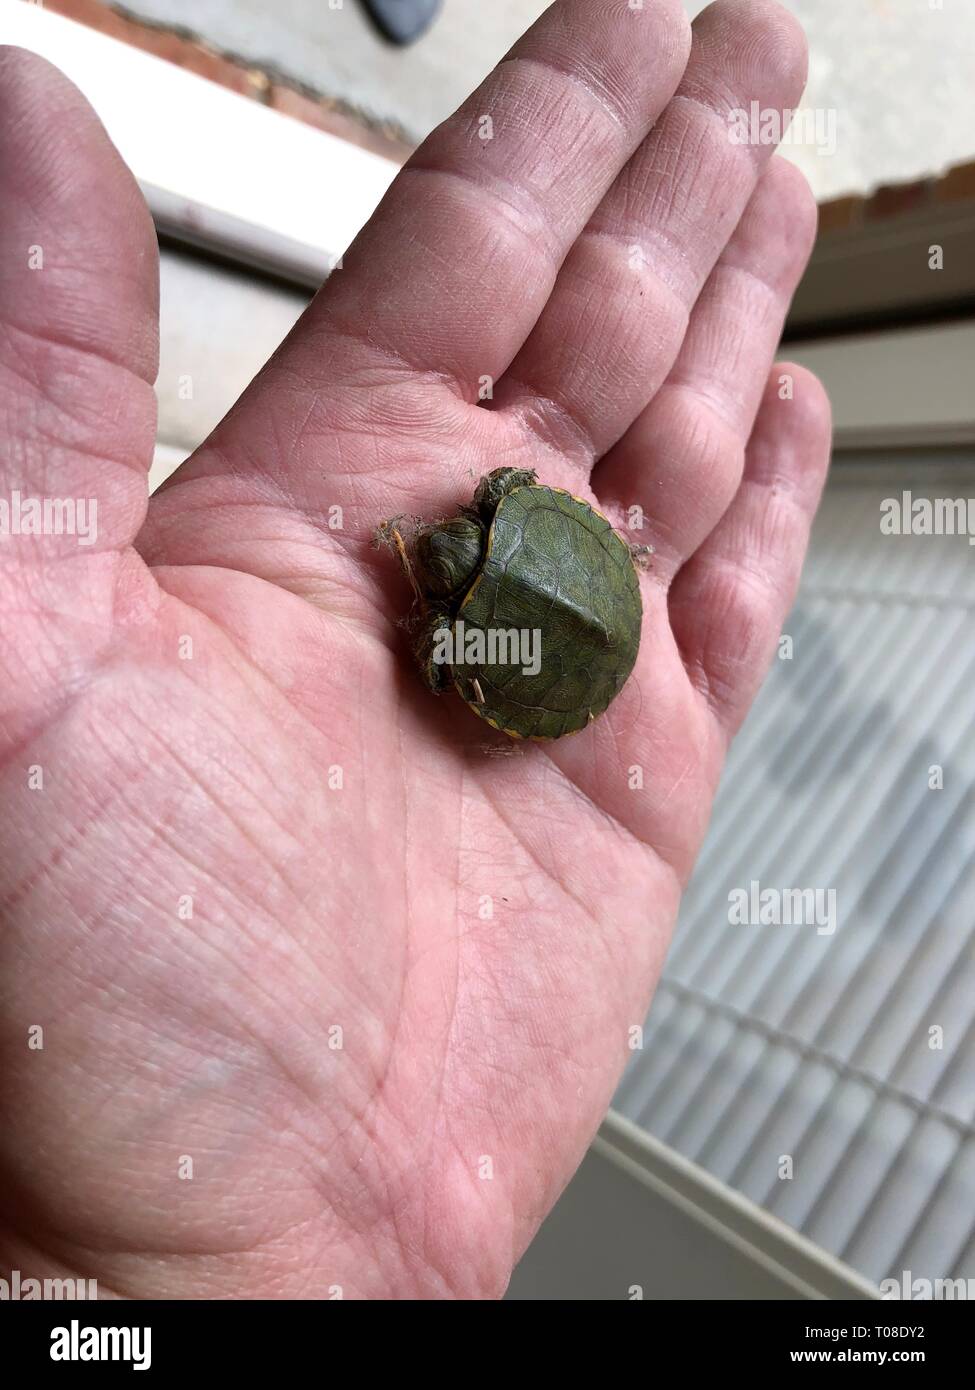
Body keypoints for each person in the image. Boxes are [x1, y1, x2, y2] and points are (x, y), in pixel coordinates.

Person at [0, 0, 830, 1299]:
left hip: (573, 627)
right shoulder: (478, 550)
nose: (429, 544)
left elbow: (472, 635)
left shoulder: (472, 593)